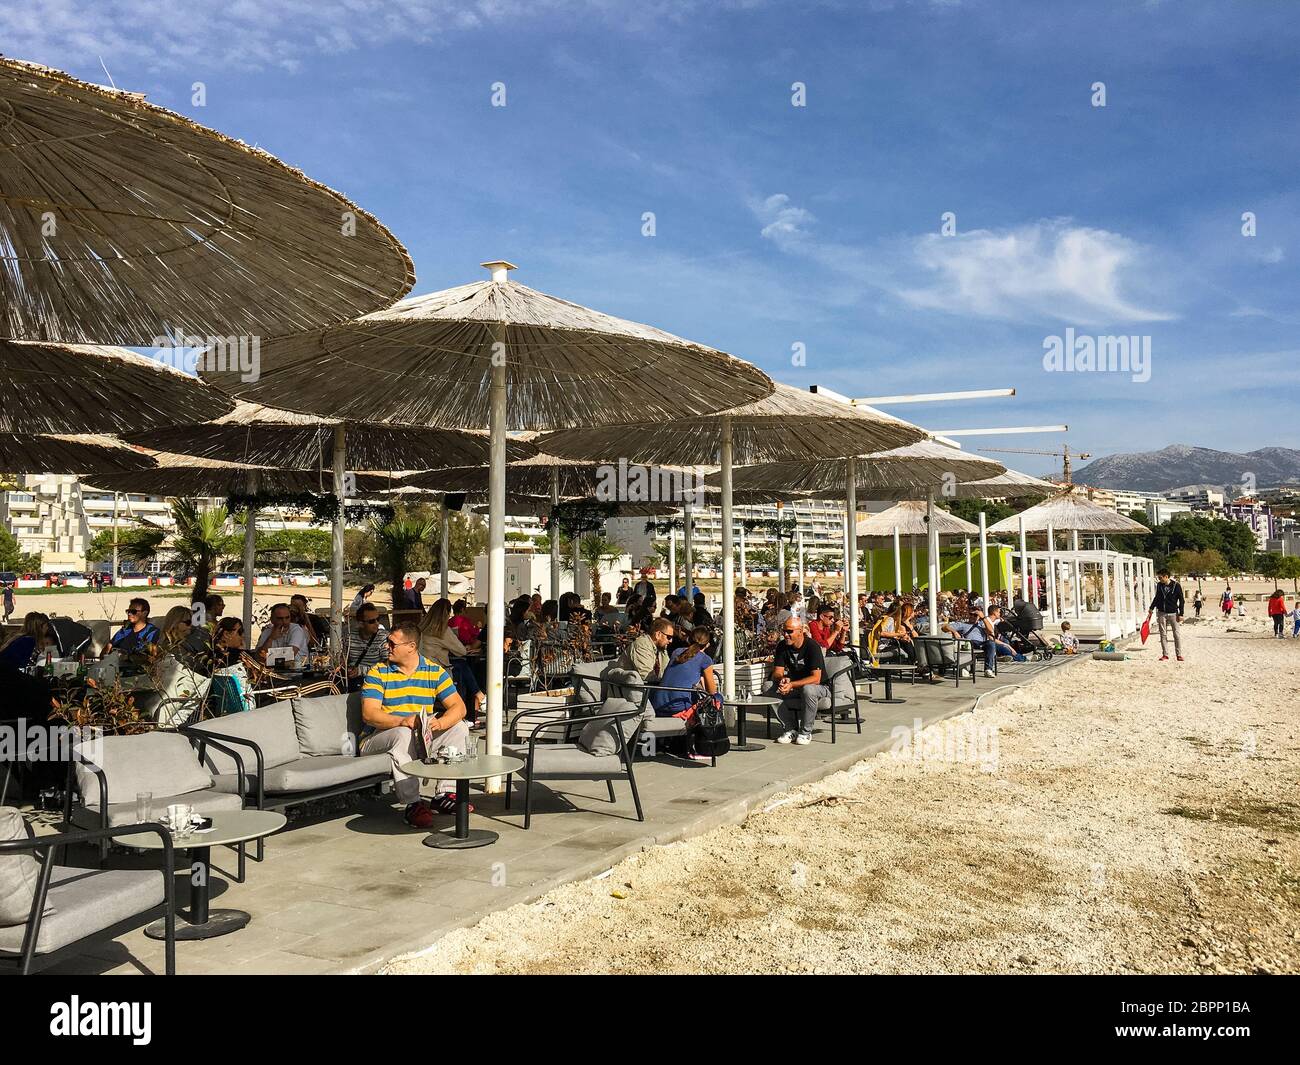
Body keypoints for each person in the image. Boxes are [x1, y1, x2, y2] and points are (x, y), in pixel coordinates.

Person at [359, 622, 471, 829]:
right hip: (377, 738)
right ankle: (412, 803)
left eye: (392, 643)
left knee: (459, 727)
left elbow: (459, 707)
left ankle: (446, 793)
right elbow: (369, 714)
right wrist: (401, 720)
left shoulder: (433, 671)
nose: (387, 647)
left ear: (411, 647)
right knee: (402, 733)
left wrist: (440, 722)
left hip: (419, 735)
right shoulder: (379, 672)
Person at [417, 598, 485, 717]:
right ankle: (474, 700)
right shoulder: (442, 630)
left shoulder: (421, 628)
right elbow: (461, 651)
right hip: (438, 670)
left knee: (461, 667)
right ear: (447, 613)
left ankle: (477, 697)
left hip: (421, 667)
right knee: (463, 666)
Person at [767, 617, 827, 745]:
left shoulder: (812, 646)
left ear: (800, 631)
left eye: (789, 631)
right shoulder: (782, 646)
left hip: (820, 687)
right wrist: (782, 679)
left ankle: (805, 732)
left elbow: (816, 678)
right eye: (784, 631)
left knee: (808, 689)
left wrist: (792, 684)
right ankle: (790, 729)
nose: (786, 635)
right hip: (795, 685)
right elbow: (777, 672)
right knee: (768, 687)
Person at [346, 603, 388, 691]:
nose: (377, 623)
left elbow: (387, 665)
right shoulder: (350, 636)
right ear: (361, 624)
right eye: (372, 621)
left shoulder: (383, 637)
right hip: (351, 680)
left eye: (378, 619)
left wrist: (361, 671)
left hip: (374, 681)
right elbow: (344, 658)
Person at [617, 617, 672, 682]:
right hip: (630, 688)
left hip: (647, 687)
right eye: (669, 637)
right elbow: (647, 676)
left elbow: (668, 670)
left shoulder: (661, 648)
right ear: (658, 634)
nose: (671, 641)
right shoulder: (642, 645)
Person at [1147, 569, 1185, 662]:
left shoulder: (1176, 585)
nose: (1159, 579)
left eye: (1160, 577)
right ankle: (1165, 654)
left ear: (1166, 576)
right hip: (1161, 613)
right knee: (1163, 634)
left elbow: (1181, 600)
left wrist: (1181, 613)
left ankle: (1179, 655)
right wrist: (1151, 608)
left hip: (1173, 613)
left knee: (1176, 634)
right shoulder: (1159, 585)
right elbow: (1157, 597)